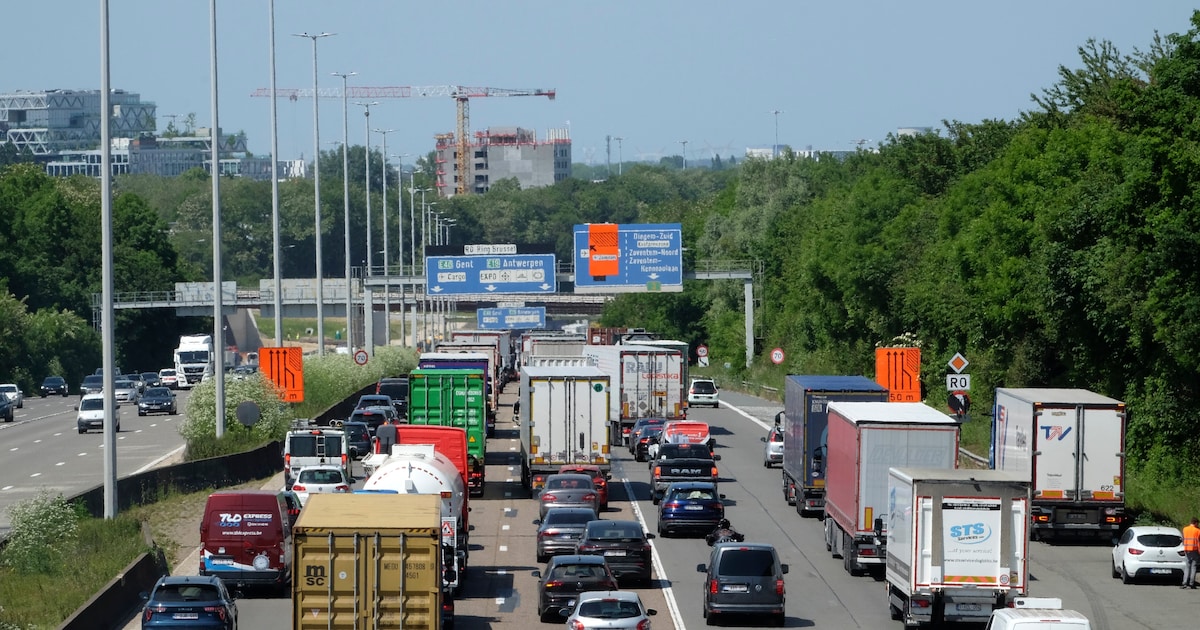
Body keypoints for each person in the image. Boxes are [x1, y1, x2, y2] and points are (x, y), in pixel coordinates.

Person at [1183, 517, 1200, 589]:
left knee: (1187, 567)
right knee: (1193, 567)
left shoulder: (1185, 529)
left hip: (1187, 550)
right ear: (1196, 523)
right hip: (1195, 550)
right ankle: (1191, 583)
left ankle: (1184, 583)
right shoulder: (1198, 530)